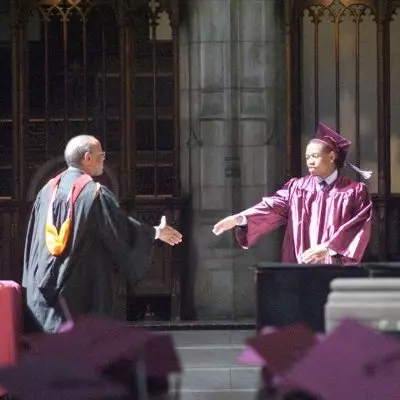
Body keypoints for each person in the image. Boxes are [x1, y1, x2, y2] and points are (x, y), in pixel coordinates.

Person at [23, 135, 183, 332]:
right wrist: (156, 232)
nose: (104, 159)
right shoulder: (94, 194)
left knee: (52, 356)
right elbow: (121, 229)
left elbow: (32, 243)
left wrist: (29, 282)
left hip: (44, 292)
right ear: (87, 157)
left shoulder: (46, 191)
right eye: (102, 154)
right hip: (81, 294)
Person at [212, 123, 372, 265]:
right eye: (307, 157)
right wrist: (240, 218)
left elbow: (359, 225)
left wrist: (329, 248)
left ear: (331, 156)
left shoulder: (354, 191)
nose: (310, 161)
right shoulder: (297, 188)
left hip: (334, 267)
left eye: (315, 156)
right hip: (300, 266)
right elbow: (272, 207)